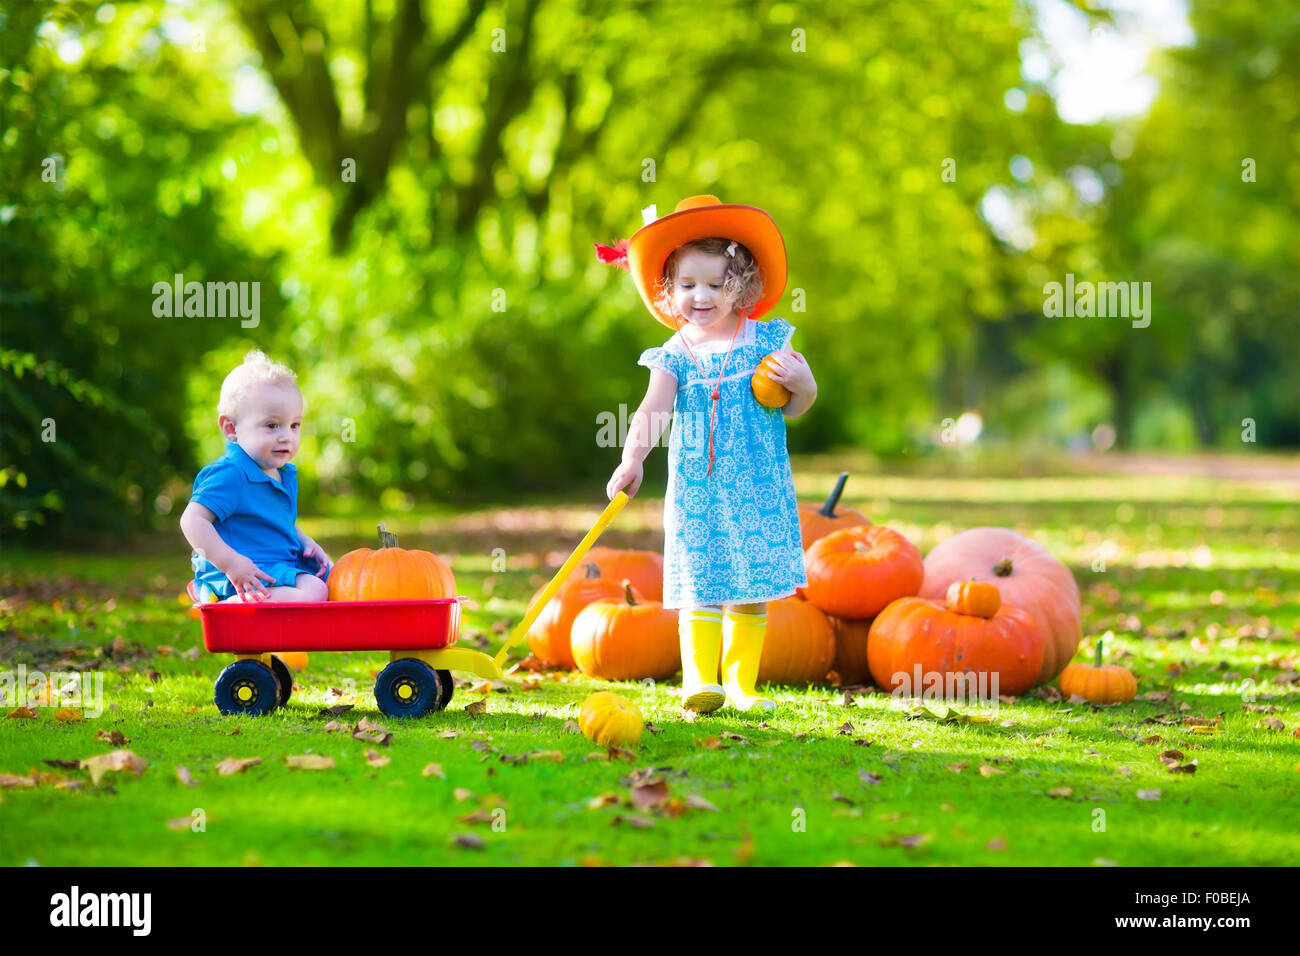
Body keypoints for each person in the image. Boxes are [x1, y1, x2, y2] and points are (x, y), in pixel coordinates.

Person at [599, 195, 817, 714]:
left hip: (758, 484)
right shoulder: (674, 352)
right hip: (697, 486)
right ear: (670, 289)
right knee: (700, 579)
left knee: (748, 584)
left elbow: (795, 408)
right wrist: (633, 458)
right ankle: (699, 681)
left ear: (739, 284)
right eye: (688, 285)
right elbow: (652, 409)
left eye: (717, 284)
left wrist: (803, 384)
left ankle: (742, 685)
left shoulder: (768, 341)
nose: (702, 296)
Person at [179, 349, 332, 604]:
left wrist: (305, 541)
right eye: (272, 425)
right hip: (243, 573)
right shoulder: (231, 475)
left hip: (275, 566)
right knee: (315, 593)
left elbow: (276, 521)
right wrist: (230, 564)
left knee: (333, 578)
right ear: (231, 428)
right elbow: (192, 520)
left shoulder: (283, 475)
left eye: (294, 425)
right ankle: (225, 607)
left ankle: (264, 633)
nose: (286, 436)